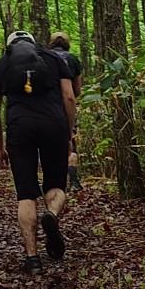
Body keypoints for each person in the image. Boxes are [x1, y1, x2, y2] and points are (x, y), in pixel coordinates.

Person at [0, 30, 76, 272]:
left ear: (10, 46)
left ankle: (32, 258)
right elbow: (69, 97)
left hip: (20, 130)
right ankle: (52, 214)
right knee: (55, 184)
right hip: (54, 126)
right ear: (34, 45)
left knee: (26, 192)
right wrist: (69, 133)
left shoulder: (0, 65)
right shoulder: (55, 59)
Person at [48, 33, 84, 192]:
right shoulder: (73, 59)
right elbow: (77, 90)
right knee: (71, 142)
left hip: (48, 108)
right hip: (66, 107)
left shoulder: (44, 58)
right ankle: (74, 181)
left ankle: (54, 182)